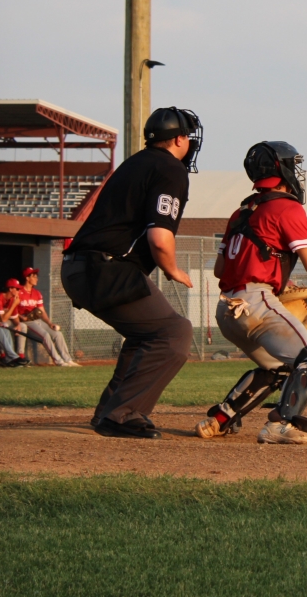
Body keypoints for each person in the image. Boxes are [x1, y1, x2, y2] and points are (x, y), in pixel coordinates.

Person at [61, 107, 200, 439]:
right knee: (174, 333)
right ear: (179, 139)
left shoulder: (136, 161)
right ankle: (121, 415)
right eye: (188, 137)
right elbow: (159, 237)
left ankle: (109, 412)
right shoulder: (171, 168)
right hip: (106, 268)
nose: (191, 144)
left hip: (79, 266)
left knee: (145, 336)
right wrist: (172, 269)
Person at [194, 140, 307, 445]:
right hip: (256, 303)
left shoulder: (241, 211)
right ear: (282, 170)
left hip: (227, 309)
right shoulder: (288, 207)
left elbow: (221, 269)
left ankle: (222, 417)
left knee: (279, 369)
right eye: (293, 165)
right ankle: (281, 424)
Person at [18, 267, 78, 367]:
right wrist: (20, 317)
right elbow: (12, 309)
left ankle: (68, 360)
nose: (36, 279)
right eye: (34, 276)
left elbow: (42, 311)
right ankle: (58, 361)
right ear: (27, 278)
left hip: (38, 321)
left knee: (57, 334)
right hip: (27, 322)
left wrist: (49, 323)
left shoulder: (37, 293)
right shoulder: (19, 292)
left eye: (36, 276)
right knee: (45, 335)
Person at [0, 279, 29, 363]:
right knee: (5, 325)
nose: (19, 291)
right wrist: (14, 305)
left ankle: (20, 354)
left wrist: (18, 325)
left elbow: (15, 317)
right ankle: (4, 356)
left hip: (4, 320)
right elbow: (3, 319)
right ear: (10, 289)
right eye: (17, 289)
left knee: (22, 326)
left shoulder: (13, 299)